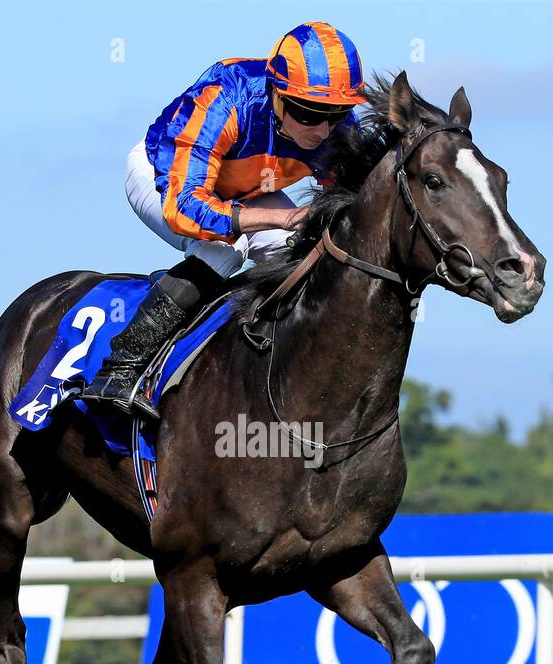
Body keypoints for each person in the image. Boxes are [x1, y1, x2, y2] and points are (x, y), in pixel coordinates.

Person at [78, 22, 367, 421]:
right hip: (166, 182)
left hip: (248, 189)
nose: (322, 131)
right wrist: (281, 217)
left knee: (305, 256)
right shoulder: (223, 100)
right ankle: (121, 368)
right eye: (308, 113)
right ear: (277, 94)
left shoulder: (334, 130)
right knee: (227, 249)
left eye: (336, 114)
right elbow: (184, 210)